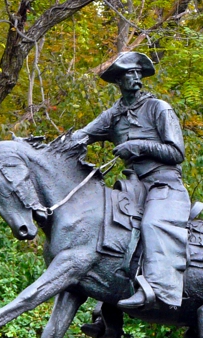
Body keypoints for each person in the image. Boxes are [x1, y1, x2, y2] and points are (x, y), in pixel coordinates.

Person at [68, 52, 189, 309]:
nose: (135, 78)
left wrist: (137, 145)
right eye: (128, 74)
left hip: (163, 184)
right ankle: (107, 311)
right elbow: (82, 135)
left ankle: (160, 290)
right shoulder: (114, 115)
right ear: (118, 82)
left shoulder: (159, 108)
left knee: (153, 224)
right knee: (102, 227)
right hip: (132, 188)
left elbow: (177, 152)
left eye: (137, 73)